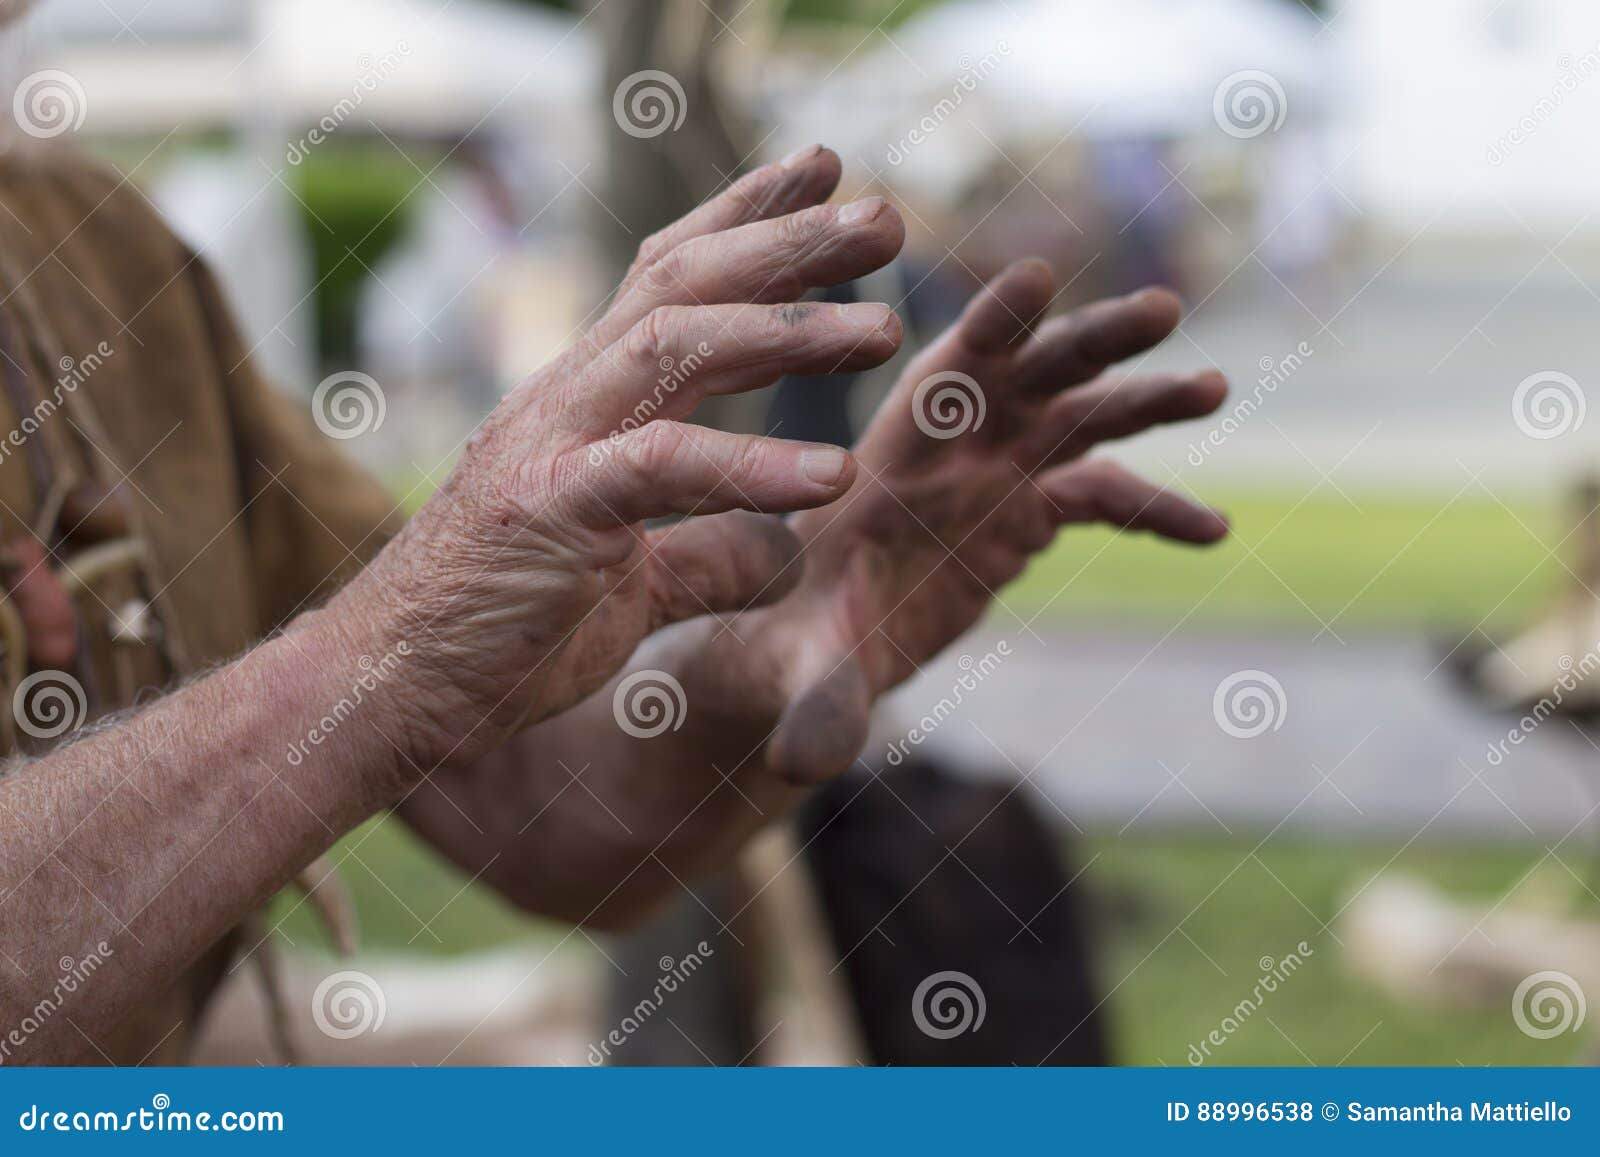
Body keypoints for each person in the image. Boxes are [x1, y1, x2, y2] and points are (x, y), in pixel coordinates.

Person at [0, 127, 1230, 1064]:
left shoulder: (96, 244)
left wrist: (747, 665)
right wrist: (373, 664)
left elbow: (524, 805)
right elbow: (383, 687)